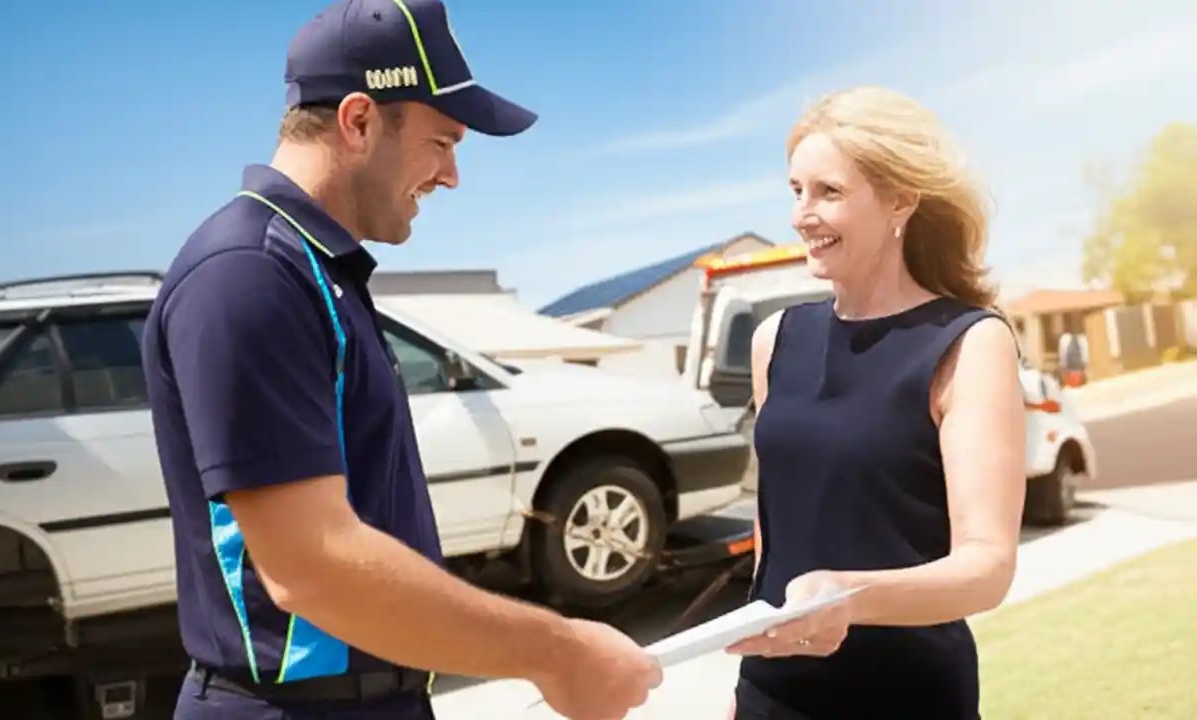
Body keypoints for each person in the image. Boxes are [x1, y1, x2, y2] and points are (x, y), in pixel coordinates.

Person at [139, 1, 662, 718]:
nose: (451, 176)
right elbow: (310, 565)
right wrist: (556, 651)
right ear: (358, 121)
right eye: (442, 142)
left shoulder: (313, 271)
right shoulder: (250, 274)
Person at [723, 86, 1026, 719]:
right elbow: (775, 531)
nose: (802, 214)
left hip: (905, 697)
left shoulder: (970, 343)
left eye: (828, 192)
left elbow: (987, 567)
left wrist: (850, 597)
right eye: (795, 190)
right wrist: (740, 696)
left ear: (899, 200)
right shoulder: (774, 342)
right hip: (772, 695)